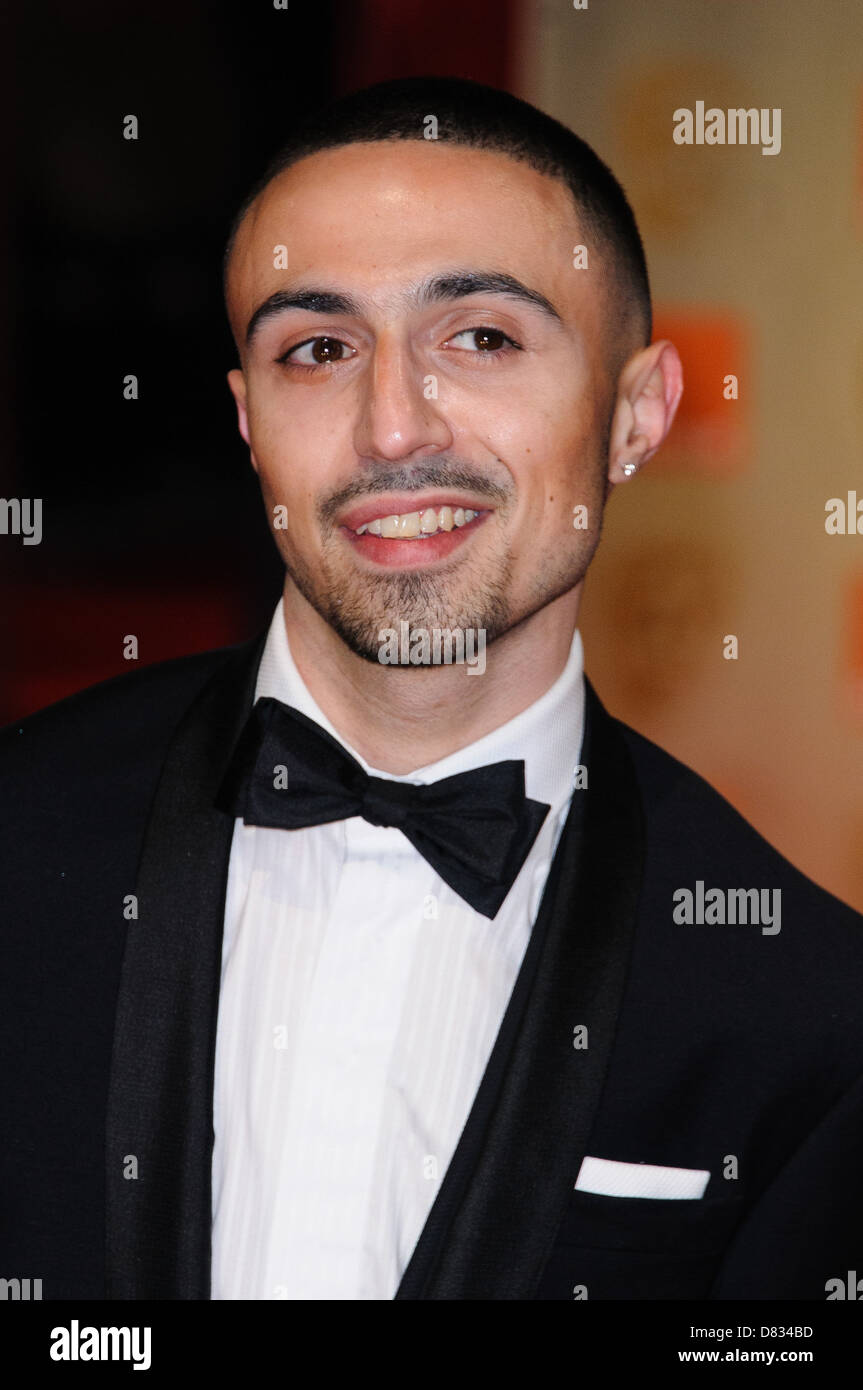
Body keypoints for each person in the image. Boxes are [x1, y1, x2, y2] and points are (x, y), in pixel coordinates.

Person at [2, 76, 861, 1303]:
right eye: (318, 349)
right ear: (249, 423)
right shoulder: (20, 839)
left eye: (481, 338)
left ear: (634, 413)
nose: (394, 426)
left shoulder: (807, 1012)